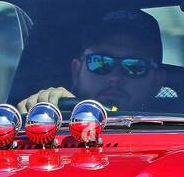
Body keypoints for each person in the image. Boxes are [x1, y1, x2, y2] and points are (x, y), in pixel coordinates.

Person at [18, 10, 165, 114]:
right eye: (100, 63)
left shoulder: (182, 131)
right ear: (76, 71)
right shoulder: (52, 122)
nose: (115, 78)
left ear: (157, 81)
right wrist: (43, 109)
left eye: (134, 66)